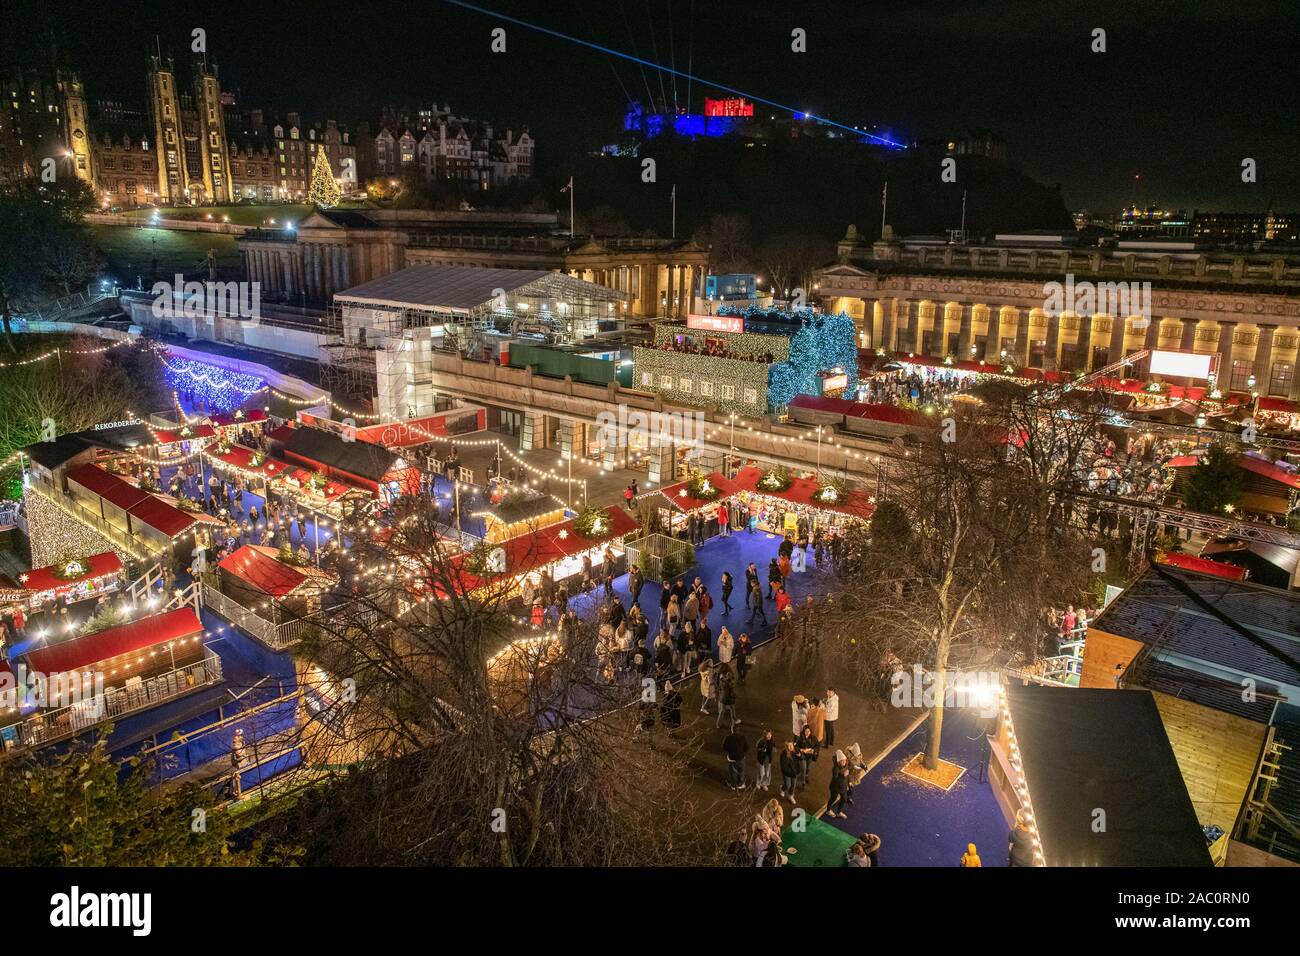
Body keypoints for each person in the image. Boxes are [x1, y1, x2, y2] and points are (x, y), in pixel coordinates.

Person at [723, 726, 748, 790]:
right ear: (738, 730)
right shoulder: (742, 737)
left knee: (733, 771)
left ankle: (733, 785)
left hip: (732, 758)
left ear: (732, 730)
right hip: (740, 757)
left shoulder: (728, 738)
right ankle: (740, 784)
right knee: (741, 771)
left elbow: (724, 747)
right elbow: (746, 748)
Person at [827, 750, 850, 818]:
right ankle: (828, 810)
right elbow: (835, 779)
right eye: (842, 761)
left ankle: (839, 812)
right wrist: (843, 775)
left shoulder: (846, 766)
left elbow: (847, 776)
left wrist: (849, 782)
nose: (844, 762)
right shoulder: (835, 769)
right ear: (838, 762)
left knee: (844, 799)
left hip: (843, 787)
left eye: (845, 760)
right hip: (835, 788)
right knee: (832, 799)